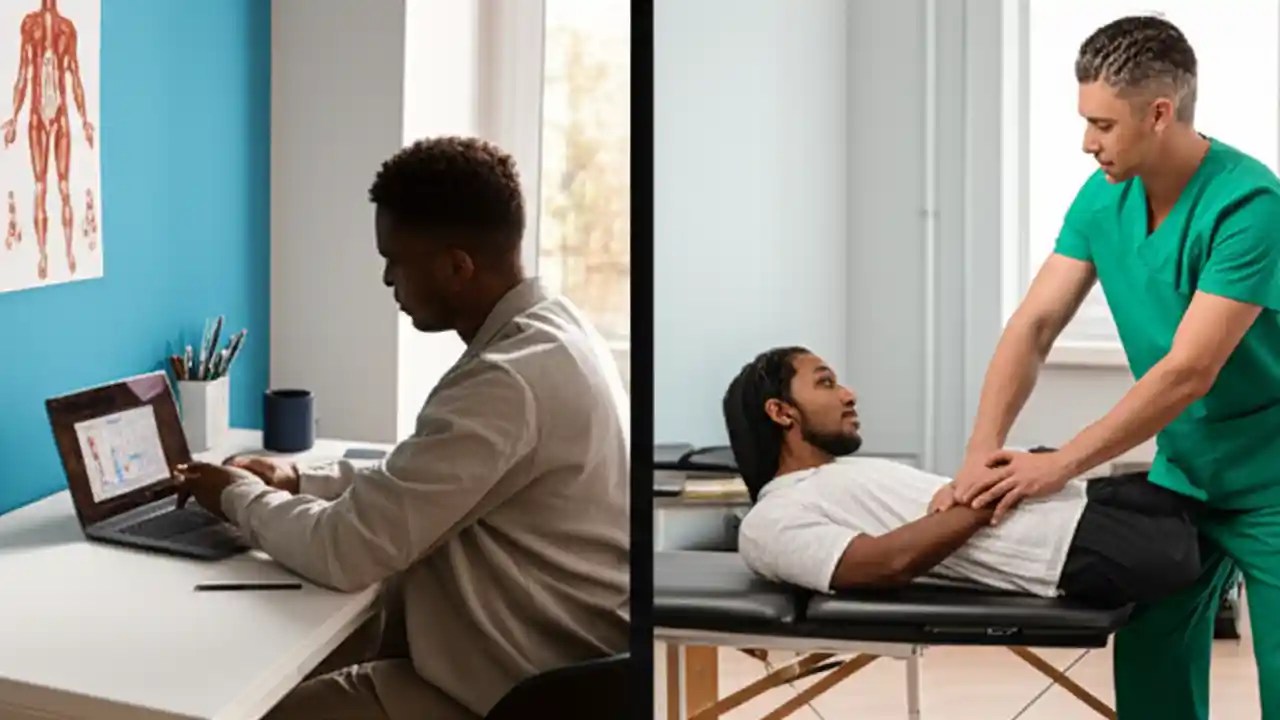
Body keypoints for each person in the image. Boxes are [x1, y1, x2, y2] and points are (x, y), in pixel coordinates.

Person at [172, 136, 631, 720]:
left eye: (395, 259)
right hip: (553, 660)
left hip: (518, 692)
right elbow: (426, 478)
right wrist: (297, 481)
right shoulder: (554, 330)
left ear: (457, 267)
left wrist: (235, 496)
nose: (388, 279)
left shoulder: (507, 381)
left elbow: (345, 550)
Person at [934, 15, 1280, 719]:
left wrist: (1058, 465)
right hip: (1185, 471)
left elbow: (1188, 371)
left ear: (1160, 113)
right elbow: (1034, 325)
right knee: (1152, 654)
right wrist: (980, 451)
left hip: (1272, 475)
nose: (1087, 142)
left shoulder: (1250, 204)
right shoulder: (1103, 195)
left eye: (1102, 124)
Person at [723, 346, 1201, 608]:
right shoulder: (770, 521)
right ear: (781, 412)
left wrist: (1018, 469)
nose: (848, 394)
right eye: (826, 383)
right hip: (1071, 550)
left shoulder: (840, 471)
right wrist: (984, 493)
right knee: (1212, 523)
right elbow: (883, 564)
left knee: (1205, 477)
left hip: (1077, 504)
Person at [2, 0, 95, 280]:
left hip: (60, 115)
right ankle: (43, 255)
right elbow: (23, 74)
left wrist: (84, 119)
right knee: (41, 186)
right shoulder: (30, 25)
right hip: (36, 116)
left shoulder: (67, 29)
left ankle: (68, 251)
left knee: (63, 186)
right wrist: (14, 117)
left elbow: (75, 77)